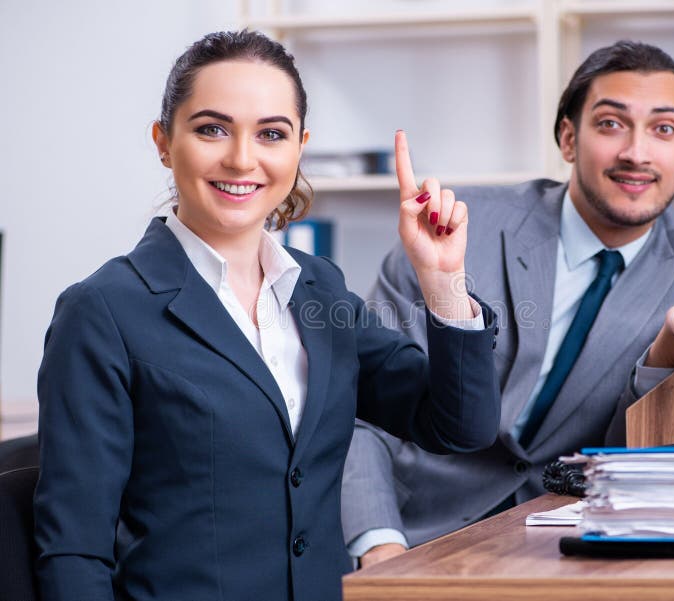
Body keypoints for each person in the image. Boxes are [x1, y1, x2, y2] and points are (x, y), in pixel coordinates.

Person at [33, 30, 501, 601]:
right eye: (212, 129)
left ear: (299, 147)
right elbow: (74, 551)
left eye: (271, 134)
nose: (241, 158)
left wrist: (442, 278)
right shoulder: (102, 311)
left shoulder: (318, 290)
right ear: (163, 141)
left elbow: (458, 427)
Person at [342, 40, 674, 567]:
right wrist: (379, 547)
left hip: (576, 543)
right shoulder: (457, 230)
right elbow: (363, 412)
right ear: (568, 137)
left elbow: (647, 461)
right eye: (610, 124)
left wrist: (667, 353)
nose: (637, 152)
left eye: (663, 129)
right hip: (416, 528)